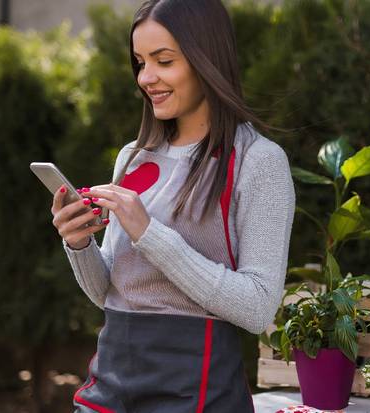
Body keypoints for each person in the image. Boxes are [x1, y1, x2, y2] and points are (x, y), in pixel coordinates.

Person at [48, 1, 295, 411]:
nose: (146, 78)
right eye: (140, 62)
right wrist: (78, 245)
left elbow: (257, 307)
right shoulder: (134, 156)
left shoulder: (258, 161)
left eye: (164, 61)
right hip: (111, 379)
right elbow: (112, 291)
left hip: (194, 389)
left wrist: (150, 234)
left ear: (207, 59)